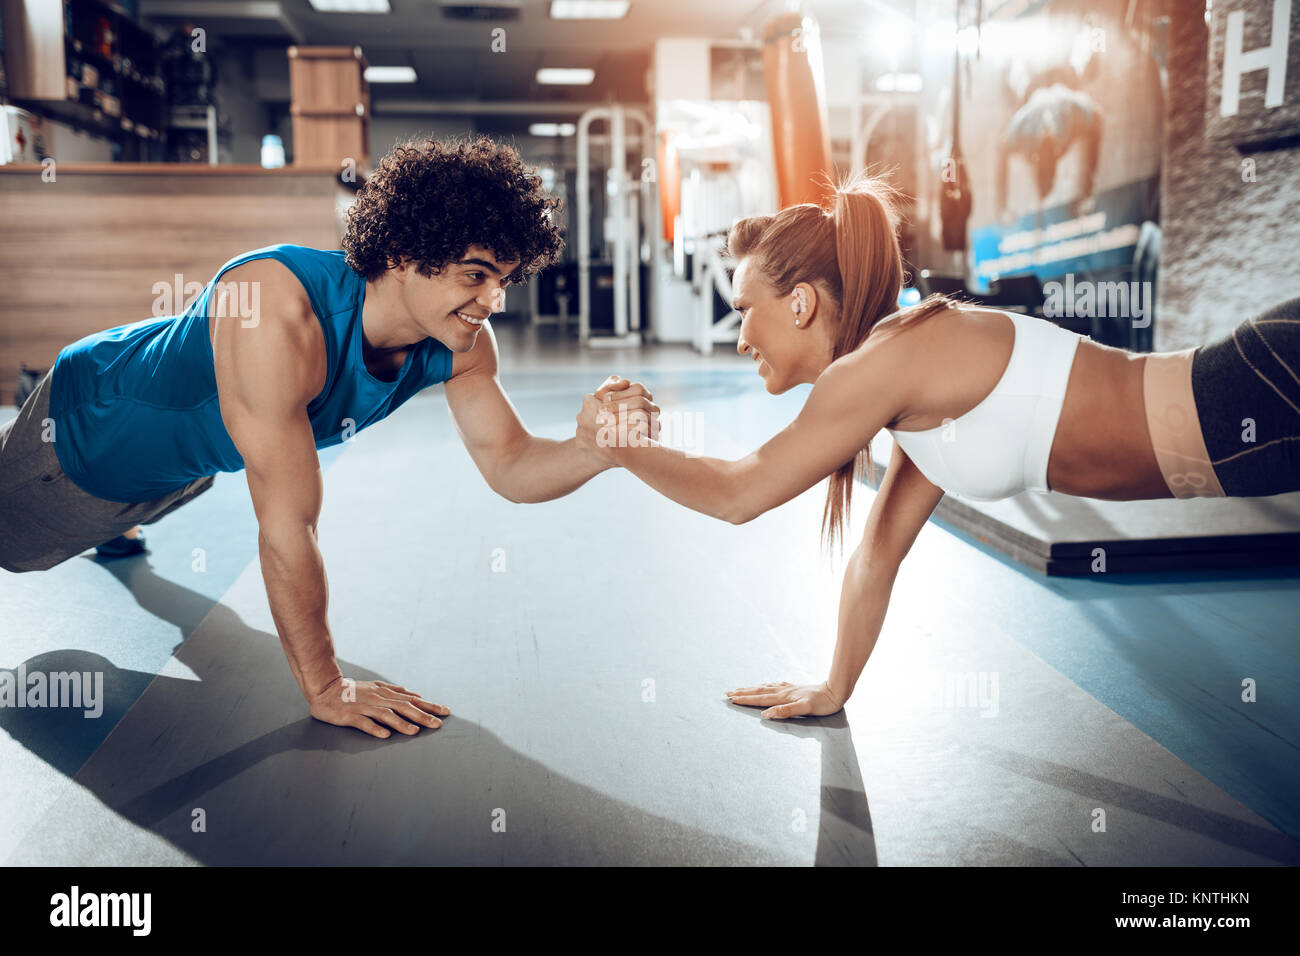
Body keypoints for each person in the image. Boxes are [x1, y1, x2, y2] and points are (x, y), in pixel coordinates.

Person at [576, 171, 1300, 721]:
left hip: (1255, 392)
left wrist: (617, 444)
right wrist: (835, 686)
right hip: (1254, 434)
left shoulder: (880, 366)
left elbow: (739, 493)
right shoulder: (900, 388)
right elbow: (876, 554)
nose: (739, 339)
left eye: (743, 312)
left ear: (799, 303)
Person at [0, 135, 651, 739]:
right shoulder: (278, 308)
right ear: (402, 253)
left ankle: (123, 524)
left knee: (195, 464)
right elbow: (287, 530)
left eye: (503, 281)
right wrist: (327, 687)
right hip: (85, 439)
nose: (493, 301)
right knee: (14, 552)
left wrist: (593, 450)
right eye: (475, 274)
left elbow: (509, 463)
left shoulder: (462, 345)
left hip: (191, 465)